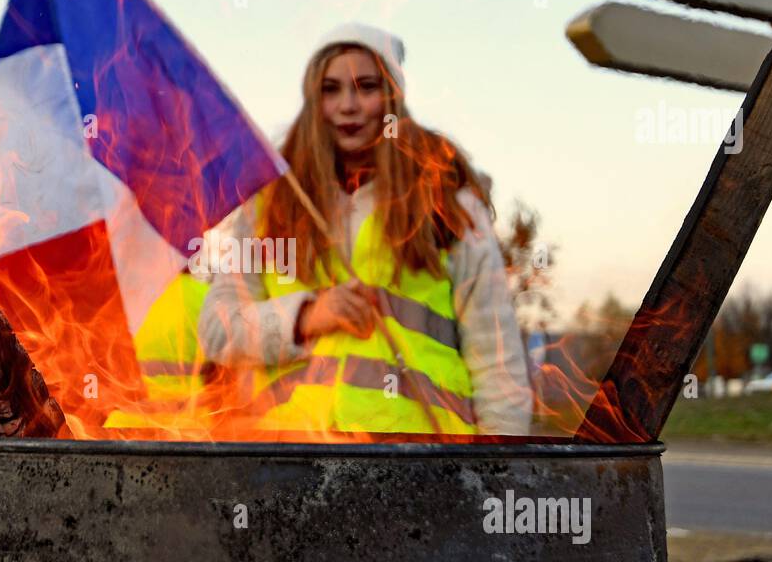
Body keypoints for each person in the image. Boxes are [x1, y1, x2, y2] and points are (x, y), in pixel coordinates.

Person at [197, 23, 531, 436]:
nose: (348, 105)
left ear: (392, 96)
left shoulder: (447, 199)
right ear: (312, 100)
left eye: (366, 87)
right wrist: (304, 317)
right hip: (285, 455)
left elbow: (497, 359)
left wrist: (498, 469)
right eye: (330, 89)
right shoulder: (269, 204)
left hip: (421, 459)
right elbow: (217, 329)